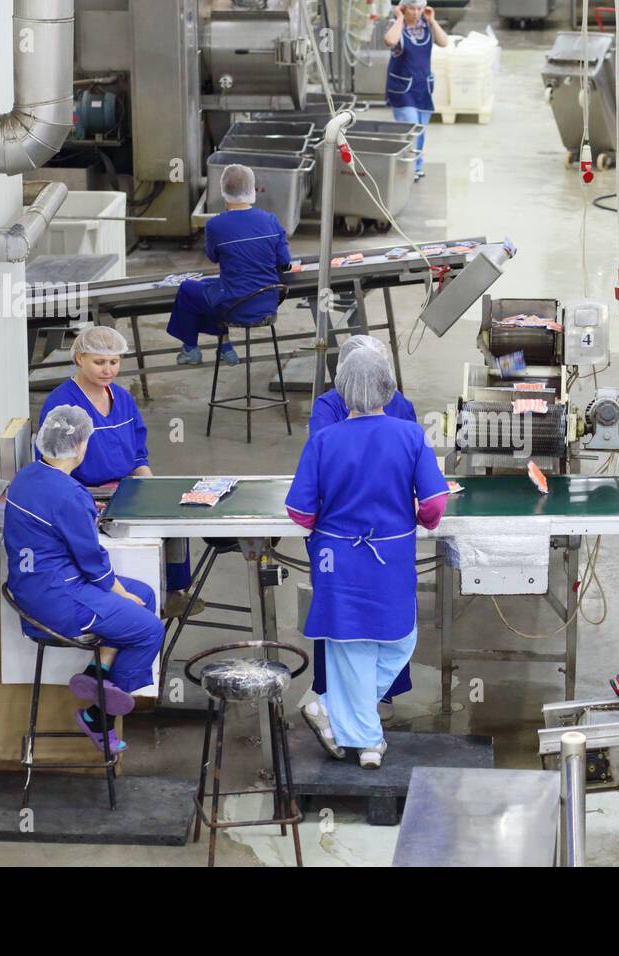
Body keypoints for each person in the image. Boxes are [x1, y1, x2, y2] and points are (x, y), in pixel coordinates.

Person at [286, 348, 449, 768]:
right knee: (397, 638)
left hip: (335, 557)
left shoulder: (324, 439)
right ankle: (367, 742)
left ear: (340, 390)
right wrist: (411, 513)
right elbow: (433, 506)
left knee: (352, 645)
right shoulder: (410, 435)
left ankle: (331, 710)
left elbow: (300, 513)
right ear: (387, 388)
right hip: (390, 555)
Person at [5, 405, 165, 755]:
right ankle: (98, 717)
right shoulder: (70, 495)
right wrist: (119, 592)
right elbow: (92, 561)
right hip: (59, 599)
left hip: (32, 588)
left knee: (147, 596)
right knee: (150, 629)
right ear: (79, 446)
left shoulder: (27, 477)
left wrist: (127, 595)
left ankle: (98, 675)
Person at [38, 325, 193, 602]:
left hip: (124, 489)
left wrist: (153, 490)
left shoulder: (121, 398)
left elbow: (137, 454)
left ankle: (174, 591)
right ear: (79, 359)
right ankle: (141, 594)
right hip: (84, 493)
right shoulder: (62, 403)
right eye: (99, 362)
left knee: (174, 518)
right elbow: (53, 465)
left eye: (114, 362)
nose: (108, 370)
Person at [308, 334, 417, 718]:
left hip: (381, 526)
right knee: (345, 624)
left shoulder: (401, 405)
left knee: (388, 624)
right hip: (349, 527)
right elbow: (320, 467)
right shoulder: (327, 408)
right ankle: (347, 709)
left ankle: (346, 707)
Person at [166, 164, 292, 366]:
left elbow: (213, 257)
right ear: (252, 188)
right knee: (212, 285)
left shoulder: (216, 225)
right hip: (268, 304)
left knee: (188, 289)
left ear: (223, 190)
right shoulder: (270, 220)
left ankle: (191, 348)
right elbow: (285, 262)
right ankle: (225, 347)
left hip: (234, 307)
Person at [384, 0, 449, 180]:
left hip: (422, 87)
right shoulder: (395, 26)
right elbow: (389, 41)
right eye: (412, 8)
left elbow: (444, 42)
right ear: (403, 8)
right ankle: (406, 167)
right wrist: (399, 18)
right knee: (410, 127)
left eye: (419, 8)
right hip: (401, 89)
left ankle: (417, 165)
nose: (416, 12)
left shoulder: (426, 25)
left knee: (420, 130)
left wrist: (433, 21)